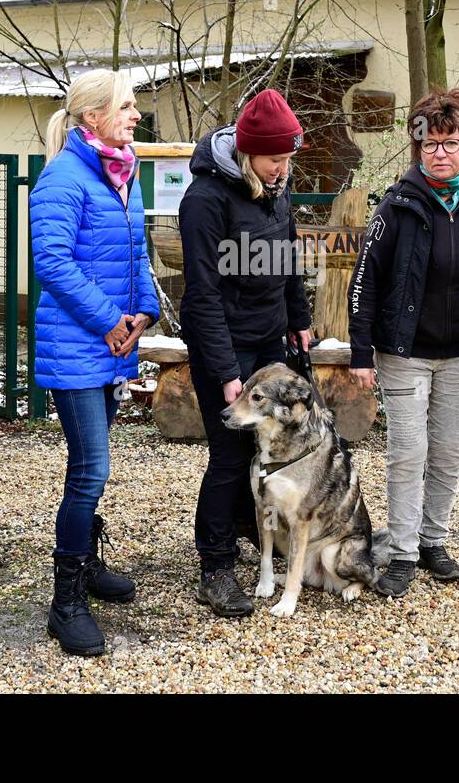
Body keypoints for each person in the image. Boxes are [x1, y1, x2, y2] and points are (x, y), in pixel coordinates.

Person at [348, 89, 459, 597]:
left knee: (448, 452)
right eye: (430, 143)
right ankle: (401, 550)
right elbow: (364, 280)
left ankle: (434, 540)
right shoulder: (396, 206)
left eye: (451, 143)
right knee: (407, 451)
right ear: (417, 147)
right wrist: (360, 351)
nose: (440, 152)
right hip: (404, 353)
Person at [29, 68, 159, 655]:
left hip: (111, 345)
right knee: (92, 470)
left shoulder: (121, 173)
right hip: (78, 347)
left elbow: (135, 256)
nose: (136, 115)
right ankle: (66, 602)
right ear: (92, 117)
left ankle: (86, 567)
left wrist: (145, 314)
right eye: (127, 107)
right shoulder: (64, 177)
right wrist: (111, 320)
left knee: (88, 466)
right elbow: (52, 264)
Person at [179, 89, 313, 617]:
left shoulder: (276, 187)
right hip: (223, 339)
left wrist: (299, 321)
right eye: (275, 159)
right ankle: (215, 565)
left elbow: (287, 260)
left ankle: (245, 528)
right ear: (246, 152)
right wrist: (227, 372)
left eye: (287, 159)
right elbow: (204, 293)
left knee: (267, 450)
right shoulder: (205, 200)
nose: (283, 168)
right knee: (231, 455)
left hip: (269, 337)